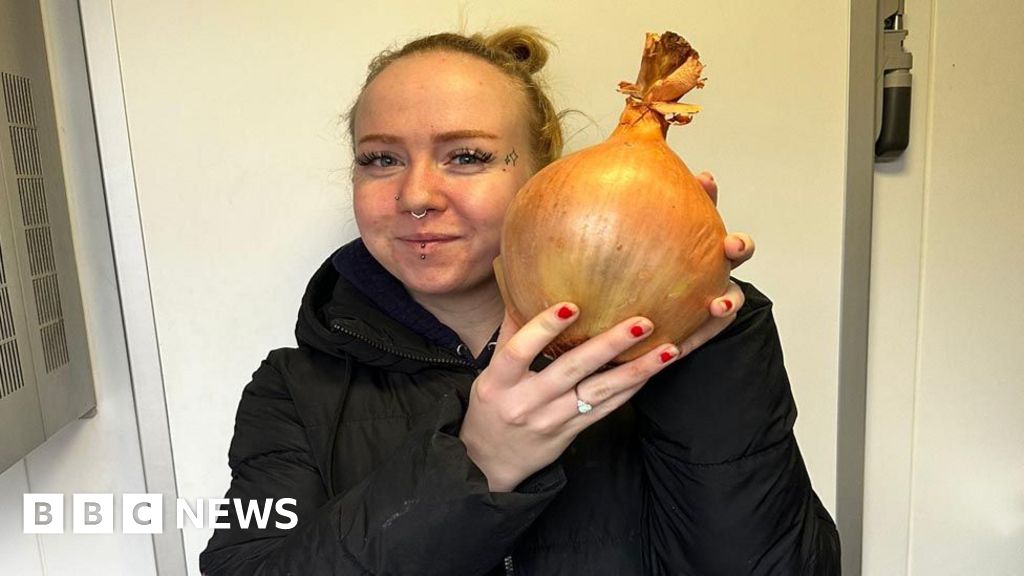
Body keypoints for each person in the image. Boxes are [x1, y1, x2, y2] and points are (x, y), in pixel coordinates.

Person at [200, 27, 840, 575]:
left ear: (545, 177)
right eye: (381, 160)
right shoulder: (291, 390)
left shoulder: (674, 354)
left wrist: (701, 329)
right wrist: (475, 466)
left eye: (467, 156)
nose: (416, 194)